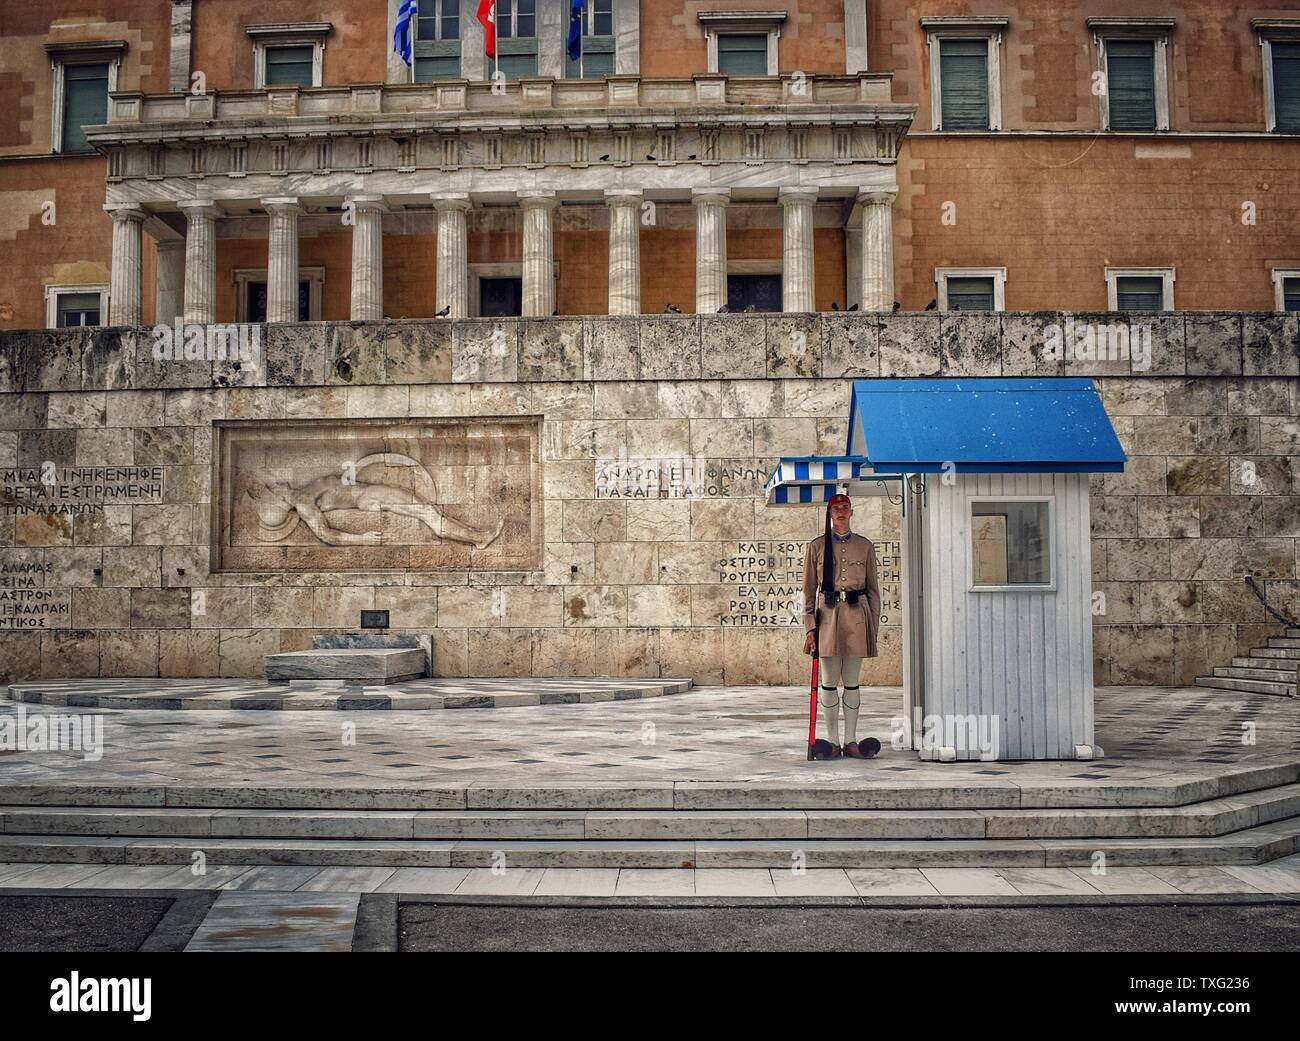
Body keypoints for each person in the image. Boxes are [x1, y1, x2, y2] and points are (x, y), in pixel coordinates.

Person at [801, 493, 882, 759]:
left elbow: (873, 591)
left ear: (851, 512)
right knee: (828, 681)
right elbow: (808, 591)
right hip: (828, 616)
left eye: (845, 508)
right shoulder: (816, 547)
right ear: (829, 514)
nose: (841, 513)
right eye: (836, 509)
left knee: (851, 681)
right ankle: (833, 741)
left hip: (857, 617)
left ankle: (851, 740)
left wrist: (872, 627)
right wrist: (810, 627)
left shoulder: (864, 546)